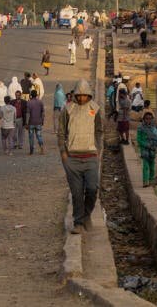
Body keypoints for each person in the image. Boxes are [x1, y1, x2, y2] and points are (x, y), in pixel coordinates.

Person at [58, 78, 103, 234]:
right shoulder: (68, 110)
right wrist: (63, 153)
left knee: (92, 188)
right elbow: (61, 132)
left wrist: (99, 150)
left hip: (91, 156)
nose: (82, 98)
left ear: (89, 95)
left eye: (85, 95)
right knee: (76, 193)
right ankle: (78, 223)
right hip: (72, 158)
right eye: (79, 95)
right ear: (75, 95)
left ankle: (86, 215)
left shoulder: (95, 109)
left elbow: (99, 131)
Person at [137, 111, 157, 187]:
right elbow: (139, 139)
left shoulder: (153, 128)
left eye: (150, 119)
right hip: (145, 149)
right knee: (145, 166)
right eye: (146, 119)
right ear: (144, 119)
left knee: (152, 166)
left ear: (151, 119)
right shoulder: (140, 128)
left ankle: (151, 181)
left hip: (152, 149)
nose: (148, 120)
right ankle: (145, 182)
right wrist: (146, 145)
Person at [27, 89, 45, 154]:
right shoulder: (40, 102)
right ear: (37, 95)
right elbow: (42, 113)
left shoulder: (29, 102)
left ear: (31, 95)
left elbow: (28, 113)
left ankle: (31, 150)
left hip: (31, 122)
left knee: (31, 137)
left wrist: (26, 123)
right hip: (38, 122)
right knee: (39, 136)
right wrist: (42, 120)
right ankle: (41, 146)